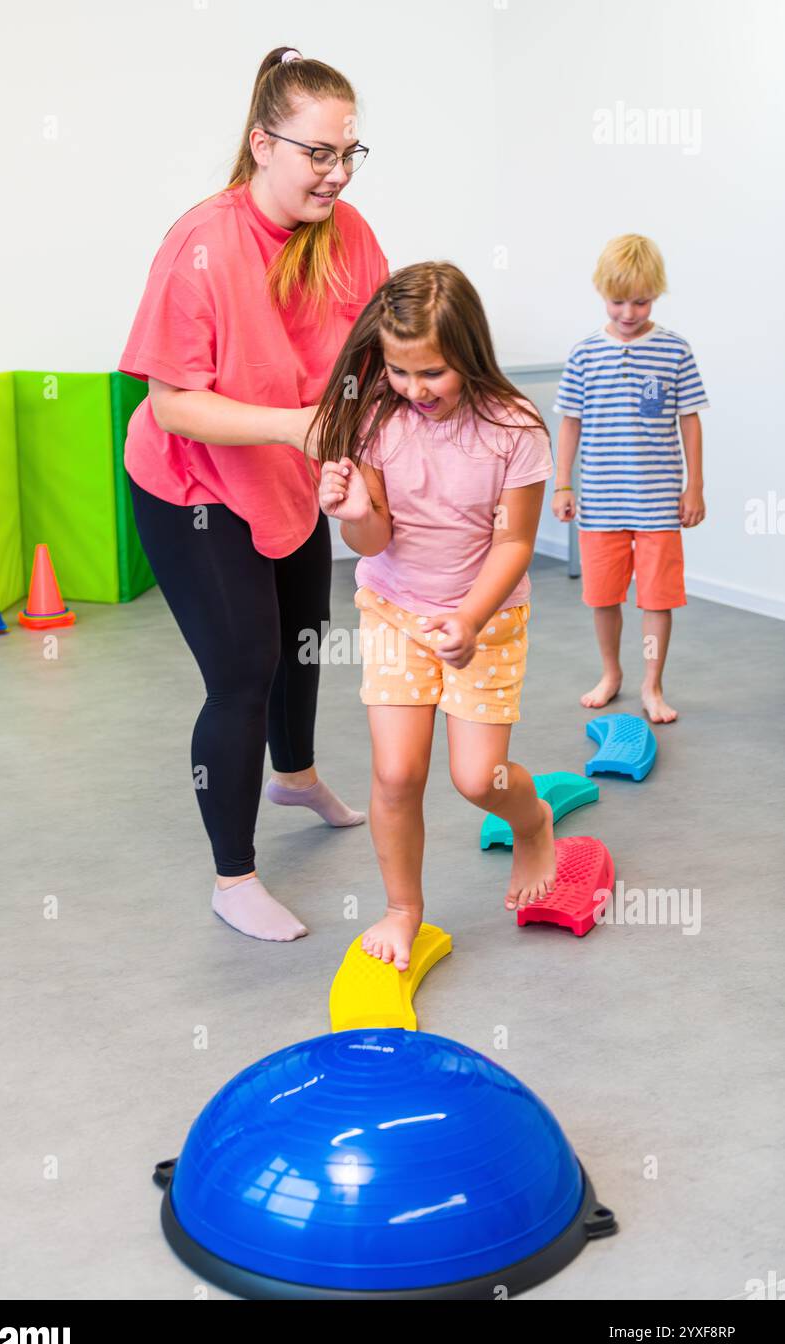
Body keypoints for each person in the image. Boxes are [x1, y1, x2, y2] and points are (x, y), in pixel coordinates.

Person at [118, 47, 389, 942]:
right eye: (319, 153)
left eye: (350, 152)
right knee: (243, 671)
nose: (338, 172)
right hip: (194, 483)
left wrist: (356, 450)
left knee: (305, 640)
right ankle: (233, 877)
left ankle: (297, 774)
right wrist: (295, 428)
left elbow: (371, 359)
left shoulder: (347, 234)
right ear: (262, 143)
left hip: (289, 472)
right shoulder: (203, 243)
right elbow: (171, 401)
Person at [313, 262, 557, 972]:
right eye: (399, 371)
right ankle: (402, 908)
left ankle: (533, 821)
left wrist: (472, 619)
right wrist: (355, 514)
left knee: (479, 780)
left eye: (434, 374)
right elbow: (374, 539)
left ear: (470, 355)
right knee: (395, 772)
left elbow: (514, 541)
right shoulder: (378, 423)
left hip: (487, 619)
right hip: (395, 611)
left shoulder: (515, 428)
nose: (415, 390)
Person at [551, 233, 708, 722]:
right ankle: (611, 673)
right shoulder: (584, 354)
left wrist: (695, 486)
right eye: (618, 300)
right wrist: (563, 483)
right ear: (603, 293)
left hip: (659, 502)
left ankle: (651, 684)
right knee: (603, 596)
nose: (628, 312)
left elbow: (690, 419)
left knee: (657, 599)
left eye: (640, 301)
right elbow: (570, 422)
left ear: (655, 294)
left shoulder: (674, 351)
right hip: (600, 502)